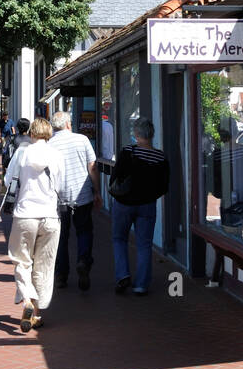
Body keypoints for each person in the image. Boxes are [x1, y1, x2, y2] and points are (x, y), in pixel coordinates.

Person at [3, 117, 64, 332]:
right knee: (44, 265)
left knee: (22, 260)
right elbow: (61, 185)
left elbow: (8, 181)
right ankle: (37, 312)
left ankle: (28, 300)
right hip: (50, 216)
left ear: (31, 133)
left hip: (25, 214)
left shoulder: (22, 153)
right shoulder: (56, 155)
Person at [109, 118, 170, 295]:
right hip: (147, 206)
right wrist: (150, 196)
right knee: (144, 244)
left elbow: (116, 175)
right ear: (152, 134)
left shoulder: (128, 151)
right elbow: (164, 185)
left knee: (119, 239)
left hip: (123, 204)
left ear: (136, 134)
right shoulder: (161, 157)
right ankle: (141, 285)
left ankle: (122, 275)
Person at [50, 110, 101, 291]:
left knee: (61, 237)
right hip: (83, 196)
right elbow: (92, 167)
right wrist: (97, 191)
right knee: (84, 231)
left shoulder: (50, 144)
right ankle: (83, 261)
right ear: (68, 124)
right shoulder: (82, 140)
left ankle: (61, 275)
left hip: (59, 198)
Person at [0, 118, 31, 242]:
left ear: (17, 127)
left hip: (15, 175)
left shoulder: (13, 139)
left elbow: (6, 154)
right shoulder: (32, 141)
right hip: (28, 174)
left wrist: (5, 168)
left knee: (15, 200)